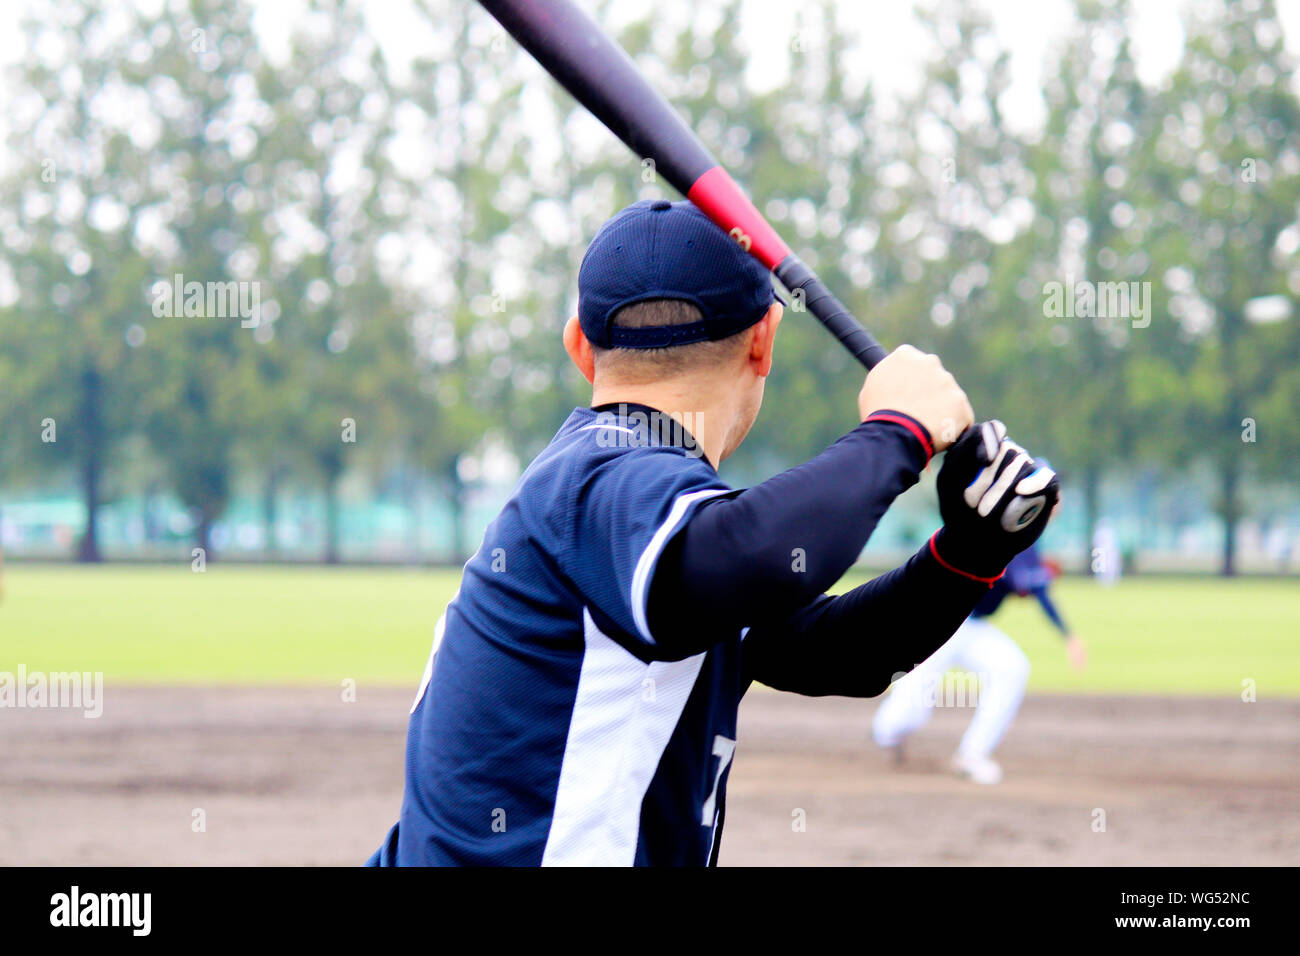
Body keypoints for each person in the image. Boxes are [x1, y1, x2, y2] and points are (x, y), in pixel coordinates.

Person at [368, 198, 1059, 866]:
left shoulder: (621, 502)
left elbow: (834, 652)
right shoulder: (605, 481)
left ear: (580, 345)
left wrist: (970, 552)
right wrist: (896, 432)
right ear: (764, 339)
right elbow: (755, 555)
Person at [871, 530, 1086, 785]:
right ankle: (887, 734)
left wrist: (1066, 633)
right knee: (908, 714)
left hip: (972, 626)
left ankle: (972, 755)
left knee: (1012, 668)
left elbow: (1031, 585)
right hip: (936, 621)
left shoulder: (1029, 534)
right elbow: (1030, 584)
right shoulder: (1008, 527)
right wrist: (1041, 583)